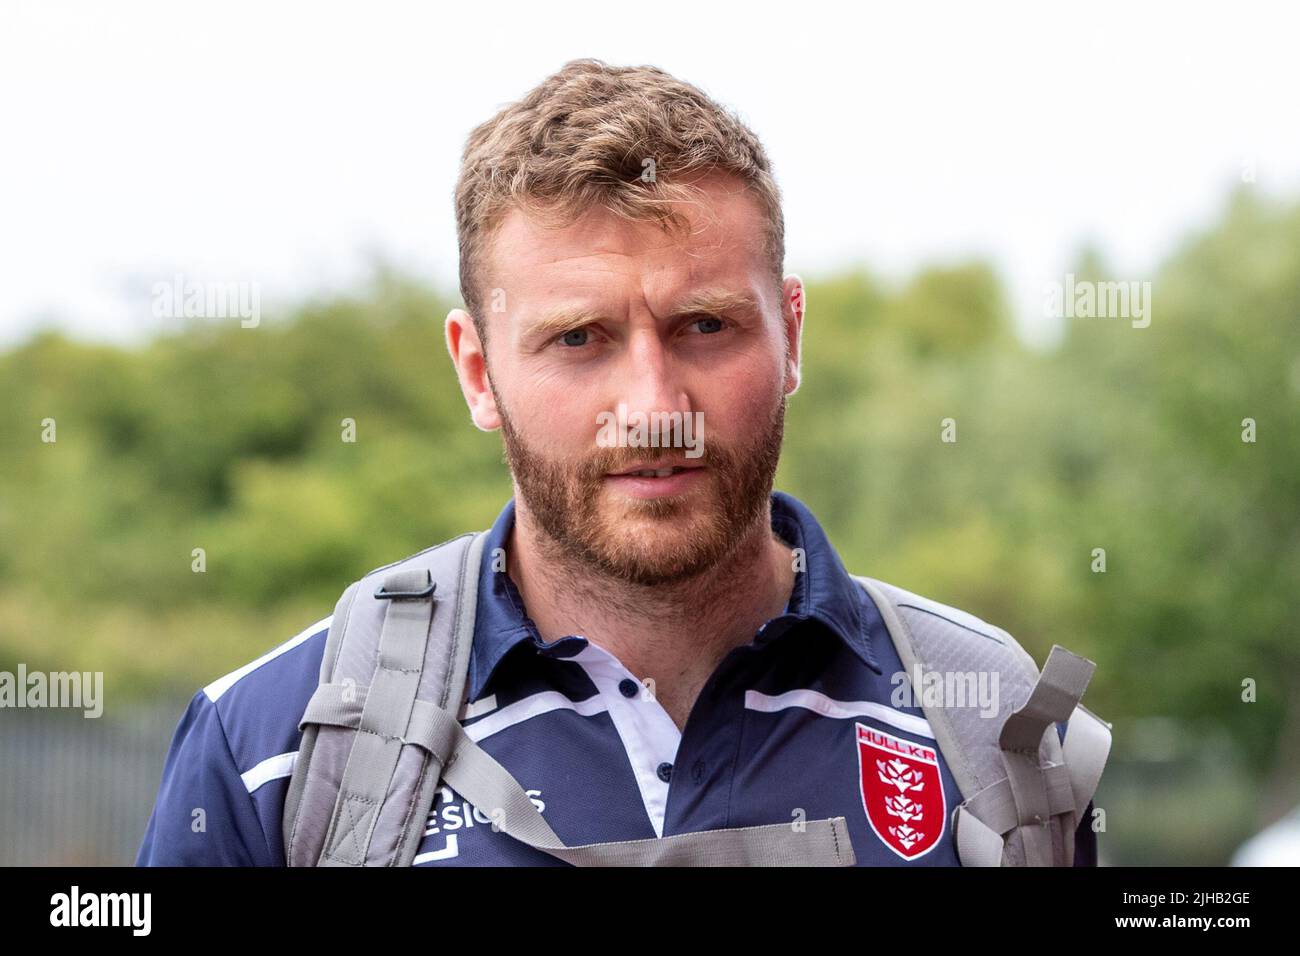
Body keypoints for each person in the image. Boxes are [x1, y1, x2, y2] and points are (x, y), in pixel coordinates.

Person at [138, 58, 1098, 867]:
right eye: (579, 339)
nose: (655, 409)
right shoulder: (276, 753)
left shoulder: (989, 730)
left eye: (706, 325)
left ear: (792, 333)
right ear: (478, 370)